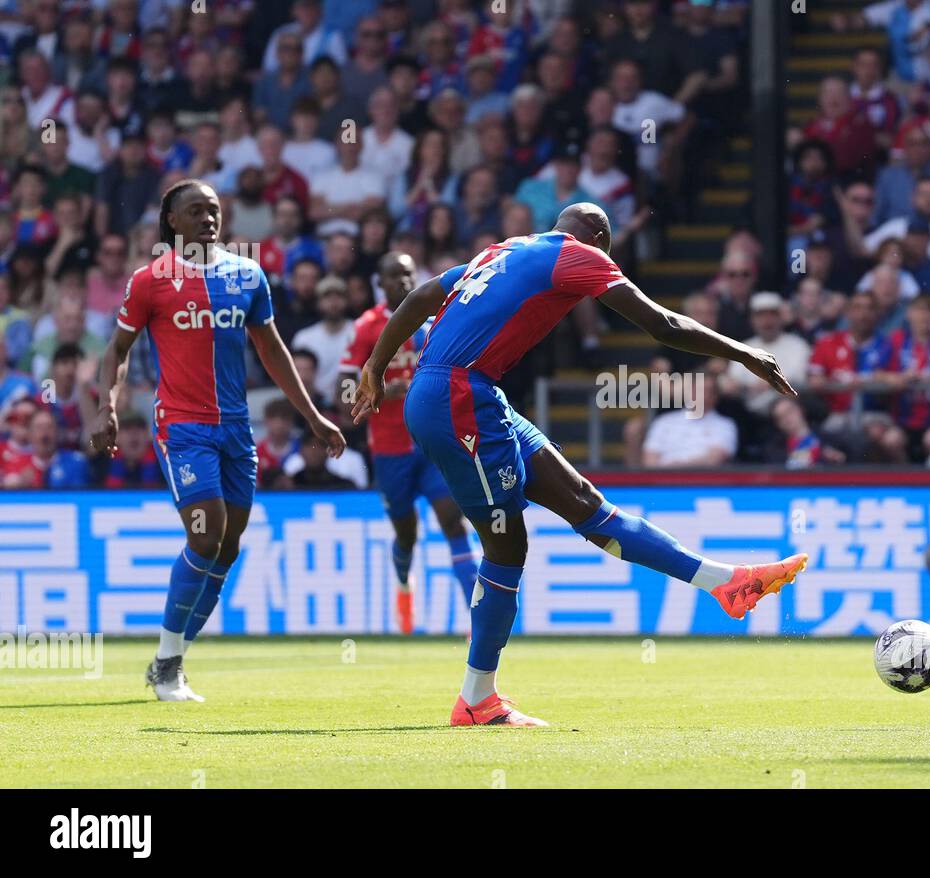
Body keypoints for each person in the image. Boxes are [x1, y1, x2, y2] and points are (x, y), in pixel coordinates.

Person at [350, 203, 808, 727]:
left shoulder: (503, 250)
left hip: (472, 394)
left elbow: (422, 296)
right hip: (456, 396)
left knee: (587, 505)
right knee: (506, 544)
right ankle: (477, 700)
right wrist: (745, 353)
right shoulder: (579, 254)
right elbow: (661, 324)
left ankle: (725, 582)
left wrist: (374, 366)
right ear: (600, 239)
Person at [91, 179, 346, 703]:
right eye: (196, 210)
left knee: (225, 550)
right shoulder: (150, 281)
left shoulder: (247, 275)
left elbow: (272, 352)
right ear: (172, 221)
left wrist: (314, 416)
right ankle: (166, 664)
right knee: (206, 537)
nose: (209, 218)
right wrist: (107, 404)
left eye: (214, 210)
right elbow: (116, 350)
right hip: (182, 428)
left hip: (236, 430)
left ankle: (172, 659)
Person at [338, 252, 479, 635]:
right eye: (393, 276)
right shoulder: (366, 328)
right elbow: (344, 391)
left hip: (432, 442)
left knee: (453, 519)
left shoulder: (434, 321)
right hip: (389, 449)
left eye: (407, 274)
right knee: (407, 532)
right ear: (379, 283)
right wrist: (384, 388)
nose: (402, 281)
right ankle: (403, 585)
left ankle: (475, 614)